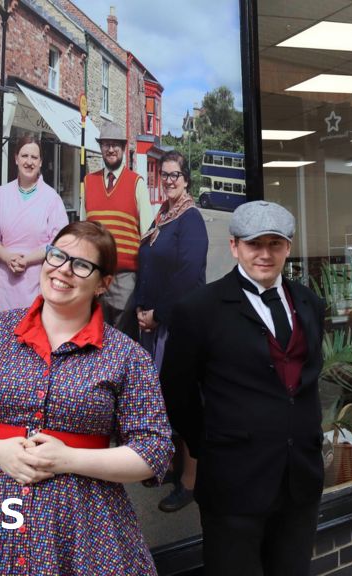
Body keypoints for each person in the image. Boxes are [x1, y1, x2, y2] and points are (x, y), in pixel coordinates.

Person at [0, 221, 173, 575]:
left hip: (84, 521)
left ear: (103, 283)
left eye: (81, 265)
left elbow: (154, 450)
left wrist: (69, 459)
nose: (63, 270)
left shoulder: (127, 356)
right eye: (57, 256)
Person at [161, 201, 326, 576]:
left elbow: (303, 382)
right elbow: (177, 392)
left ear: (288, 247)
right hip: (232, 481)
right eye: (254, 244)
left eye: (275, 244)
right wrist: (210, 445)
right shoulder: (199, 309)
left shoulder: (310, 303)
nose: (265, 254)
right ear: (235, 246)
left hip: (300, 480)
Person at [134, 150, 208, 512]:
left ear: (186, 179)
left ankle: (190, 482)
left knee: (184, 402)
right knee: (163, 399)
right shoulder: (163, 215)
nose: (168, 180)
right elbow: (149, 265)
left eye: (175, 174)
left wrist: (158, 315)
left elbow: (188, 278)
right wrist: (141, 307)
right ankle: (173, 466)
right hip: (155, 324)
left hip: (177, 327)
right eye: (164, 174)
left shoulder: (190, 220)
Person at [0, 134, 69, 312]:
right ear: (16, 158)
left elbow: (59, 244)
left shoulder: (52, 199)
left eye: (34, 157)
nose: (29, 162)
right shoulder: (1, 194)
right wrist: (7, 257)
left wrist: (28, 260)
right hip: (5, 286)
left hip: (37, 283)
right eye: (24, 156)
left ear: (40, 162)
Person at [80, 122, 151, 327]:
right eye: (106, 144)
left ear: (123, 147)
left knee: (123, 336)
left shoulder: (136, 183)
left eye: (116, 145)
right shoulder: (88, 182)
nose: (111, 149)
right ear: (101, 147)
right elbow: (84, 233)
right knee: (94, 334)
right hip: (95, 275)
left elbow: (147, 237)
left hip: (125, 278)